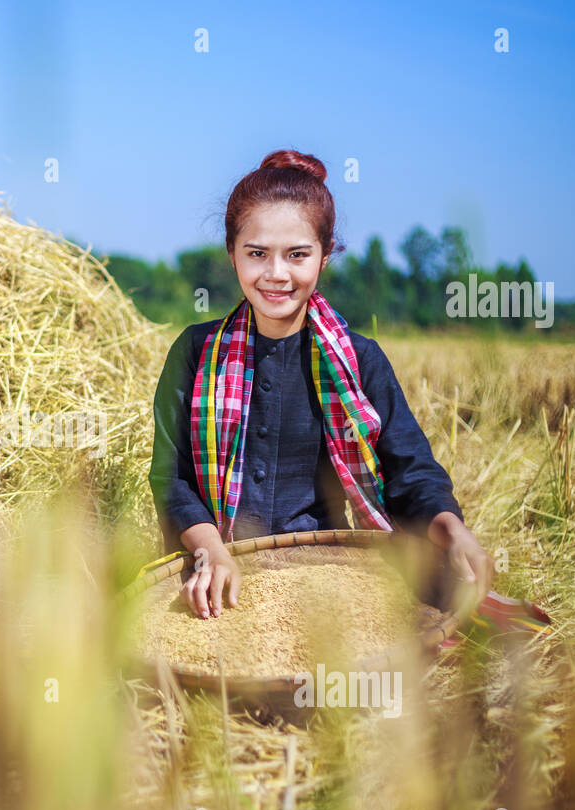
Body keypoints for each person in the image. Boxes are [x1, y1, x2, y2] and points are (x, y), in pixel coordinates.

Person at [148, 149, 494, 621]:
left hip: (329, 570)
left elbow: (410, 471)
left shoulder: (360, 360)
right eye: (256, 254)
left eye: (297, 255)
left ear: (324, 257)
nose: (276, 274)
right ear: (232, 254)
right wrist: (211, 550)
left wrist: (451, 528)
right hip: (217, 573)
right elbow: (172, 479)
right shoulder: (194, 352)